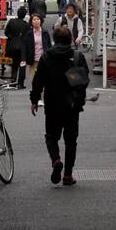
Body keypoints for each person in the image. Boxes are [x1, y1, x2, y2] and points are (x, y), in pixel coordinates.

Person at [30, 22, 89, 186]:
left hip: (52, 105)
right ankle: (68, 175)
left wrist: (34, 100)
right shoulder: (77, 57)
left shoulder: (47, 57)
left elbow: (38, 81)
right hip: (72, 106)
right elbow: (84, 80)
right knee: (71, 141)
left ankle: (56, 160)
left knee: (51, 137)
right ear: (70, 39)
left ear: (55, 40)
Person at [4, 4, 29, 89]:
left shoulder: (11, 21)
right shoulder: (26, 25)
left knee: (14, 63)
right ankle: (20, 83)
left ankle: (13, 80)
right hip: (22, 47)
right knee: (22, 64)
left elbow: (6, 32)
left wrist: (12, 37)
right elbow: (27, 37)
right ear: (24, 15)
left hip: (12, 45)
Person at [24, 12, 51, 86]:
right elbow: (25, 47)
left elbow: (49, 46)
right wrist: (23, 59)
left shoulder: (45, 32)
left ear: (41, 21)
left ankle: (43, 96)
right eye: (34, 19)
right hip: (33, 60)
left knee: (44, 80)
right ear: (31, 22)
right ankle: (37, 96)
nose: (36, 21)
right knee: (34, 80)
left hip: (43, 60)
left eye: (38, 19)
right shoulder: (28, 34)